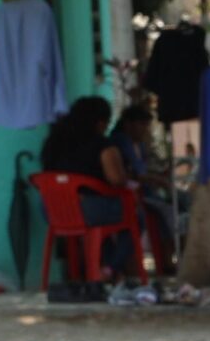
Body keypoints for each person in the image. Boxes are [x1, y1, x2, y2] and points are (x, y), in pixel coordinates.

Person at [38, 96, 139, 289]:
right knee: (136, 218)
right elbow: (117, 180)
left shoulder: (53, 143)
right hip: (89, 210)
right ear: (101, 122)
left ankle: (102, 270)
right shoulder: (103, 146)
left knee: (104, 230)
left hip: (51, 211)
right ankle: (109, 269)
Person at [110, 102, 176, 269]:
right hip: (127, 195)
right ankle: (167, 260)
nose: (145, 130)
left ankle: (167, 259)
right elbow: (139, 174)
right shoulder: (121, 141)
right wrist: (159, 180)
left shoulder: (138, 144)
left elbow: (144, 170)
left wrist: (159, 177)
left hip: (143, 191)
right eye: (142, 125)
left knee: (173, 205)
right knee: (166, 211)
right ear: (128, 124)